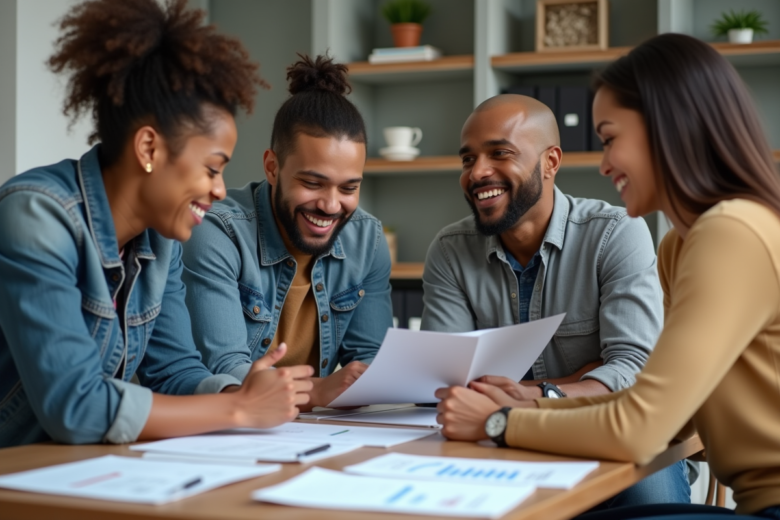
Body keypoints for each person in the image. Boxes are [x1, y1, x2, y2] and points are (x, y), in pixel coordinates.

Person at [436, 32, 780, 519]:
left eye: (610, 139)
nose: (603, 165)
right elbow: (665, 413)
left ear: (667, 128)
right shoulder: (679, 246)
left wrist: (499, 421)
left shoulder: (731, 233)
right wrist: (532, 408)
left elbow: (641, 425)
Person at [0, 0, 314, 448]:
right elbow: (75, 406)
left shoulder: (160, 239)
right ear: (149, 148)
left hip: (76, 475)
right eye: (212, 168)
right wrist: (238, 409)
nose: (221, 190)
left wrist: (237, 391)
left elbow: (174, 371)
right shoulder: (37, 216)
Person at [421, 94, 690, 508]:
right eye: (467, 159)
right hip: (494, 438)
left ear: (550, 162)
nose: (478, 172)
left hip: (612, 435)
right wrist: (584, 378)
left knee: (649, 506)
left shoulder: (616, 234)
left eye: (500, 153)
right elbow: (448, 382)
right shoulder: (450, 250)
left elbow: (634, 372)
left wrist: (534, 397)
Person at [181, 54, 393, 410]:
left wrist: (369, 378)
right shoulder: (216, 232)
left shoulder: (367, 240)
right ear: (272, 167)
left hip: (309, 434)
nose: (330, 205)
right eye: (313, 183)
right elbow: (228, 371)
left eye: (348, 188)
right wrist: (320, 391)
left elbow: (372, 359)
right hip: (224, 426)